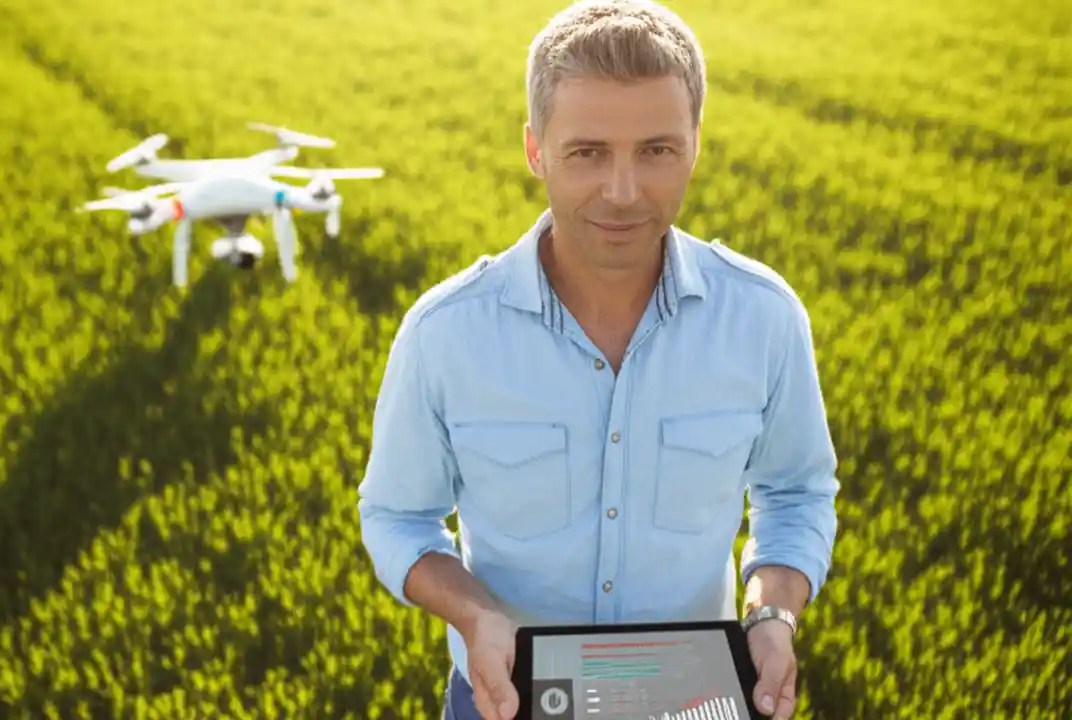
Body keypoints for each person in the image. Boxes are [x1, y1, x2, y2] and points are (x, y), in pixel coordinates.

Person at [356, 1, 840, 718]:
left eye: (656, 150)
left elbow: (796, 495)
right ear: (535, 150)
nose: (623, 192)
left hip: (693, 700)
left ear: (695, 145)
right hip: (504, 699)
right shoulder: (445, 334)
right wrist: (477, 617)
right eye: (587, 153)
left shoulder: (764, 319)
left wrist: (772, 617)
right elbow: (397, 516)